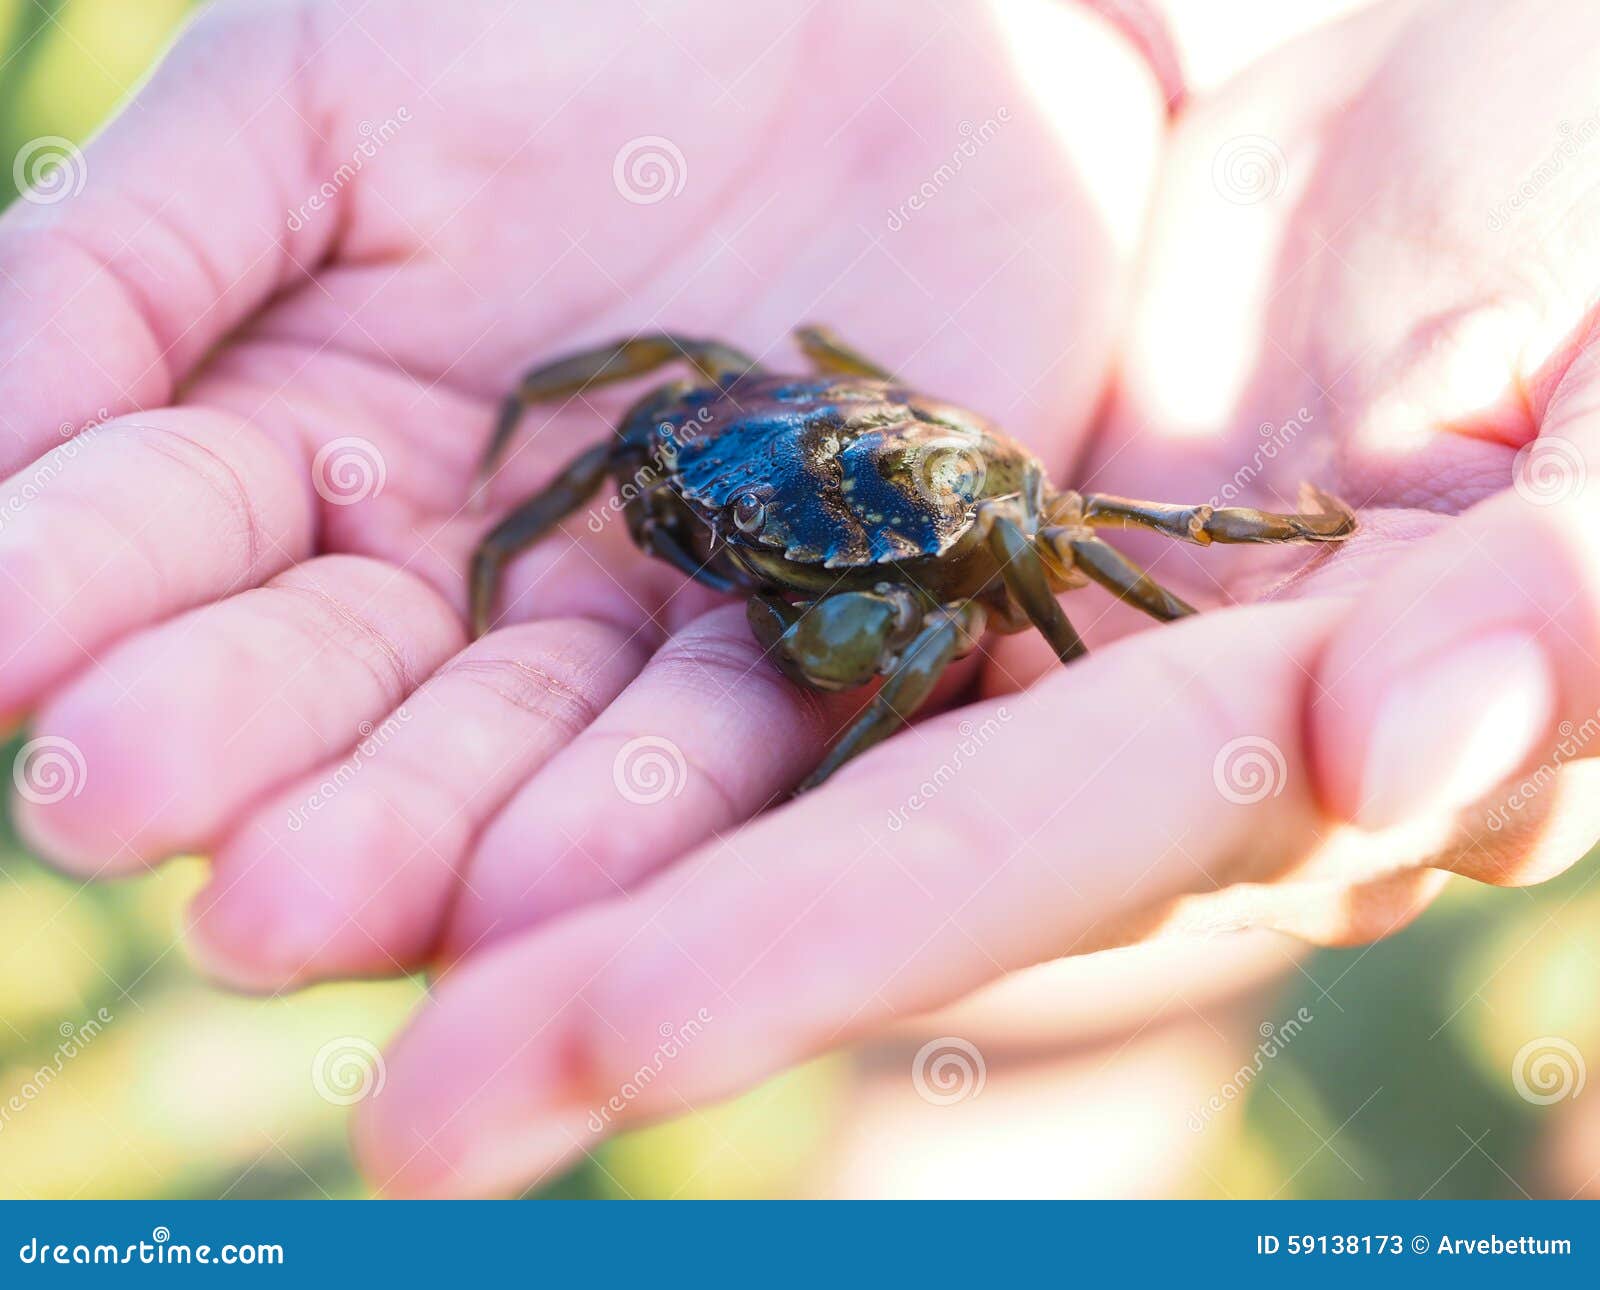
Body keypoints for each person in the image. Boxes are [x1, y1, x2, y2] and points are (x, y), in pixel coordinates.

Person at [3, 0, 1596, 1196]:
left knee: (1116, 707)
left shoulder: (984, 535)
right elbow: (659, 405)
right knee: (1103, 844)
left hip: (982, 495)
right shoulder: (730, 404)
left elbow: (1083, 562)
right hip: (849, 400)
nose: (696, 534)